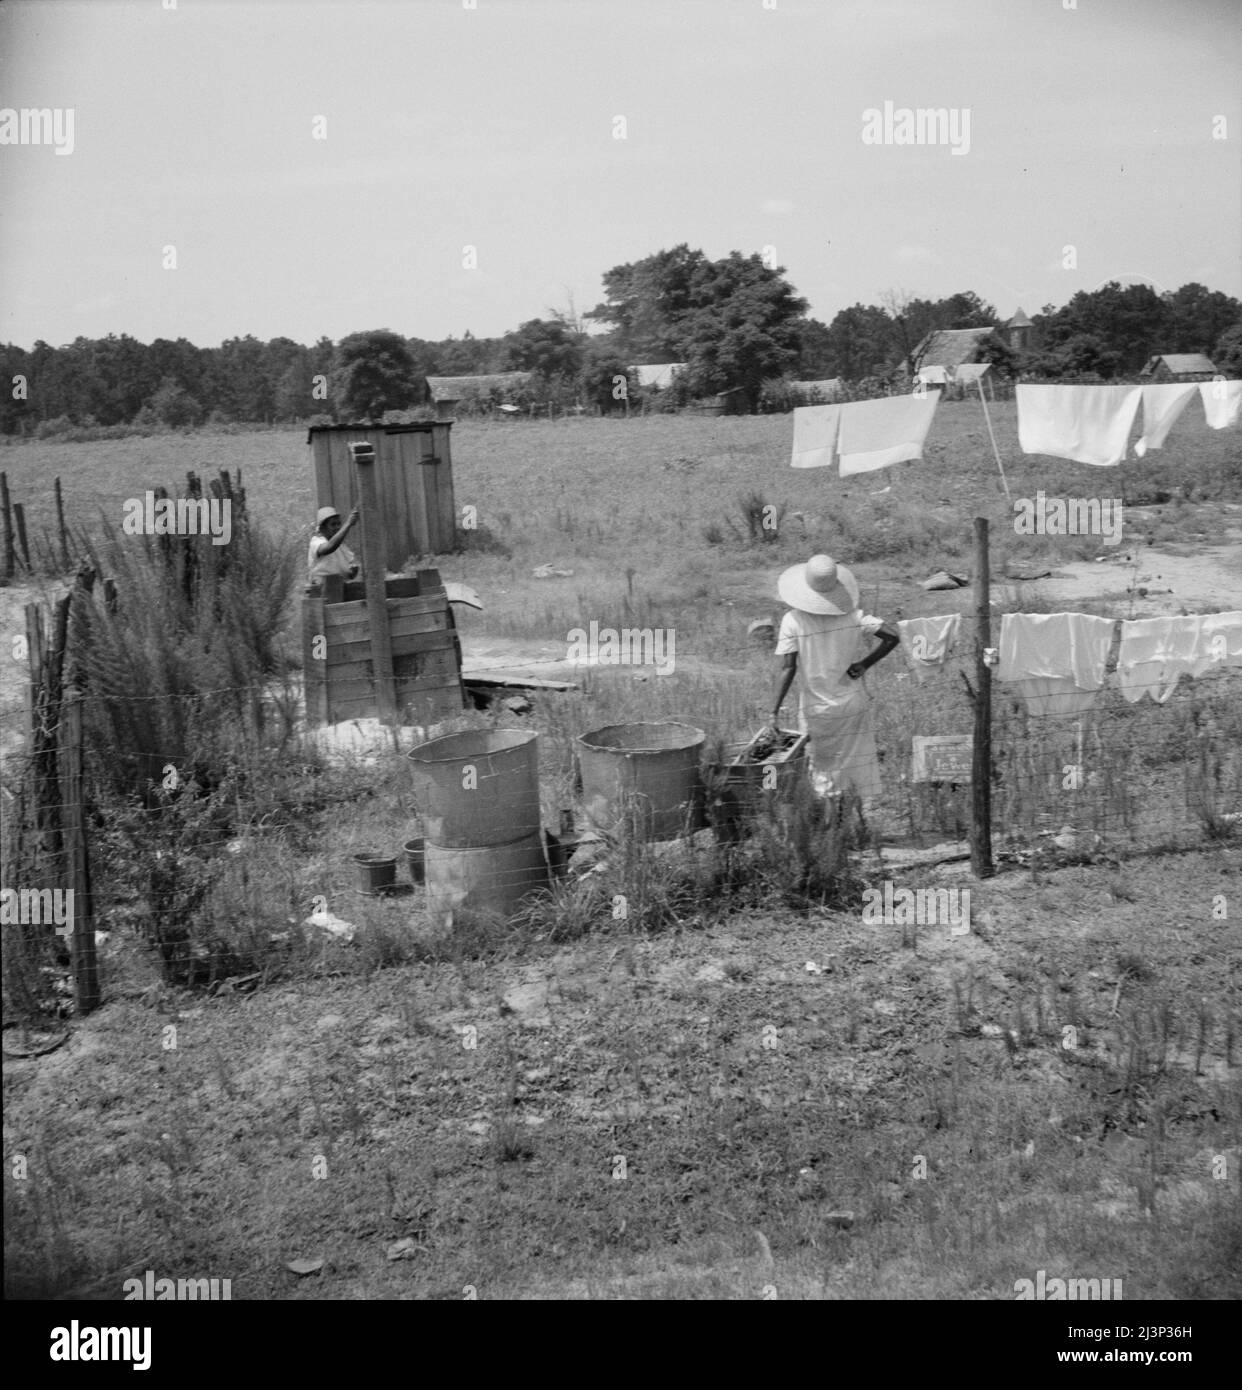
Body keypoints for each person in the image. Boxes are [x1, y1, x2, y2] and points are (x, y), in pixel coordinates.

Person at [768, 553, 899, 816]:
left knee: (821, 772)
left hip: (816, 708)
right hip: (851, 703)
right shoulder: (854, 616)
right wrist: (864, 664)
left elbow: (788, 668)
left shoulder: (793, 621)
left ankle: (832, 832)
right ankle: (854, 826)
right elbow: (893, 637)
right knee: (852, 770)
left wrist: (772, 711)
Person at [307, 505, 360, 586]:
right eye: (333, 524)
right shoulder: (316, 542)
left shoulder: (341, 546)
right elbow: (329, 547)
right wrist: (348, 523)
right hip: (321, 591)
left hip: (340, 589)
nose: (337, 527)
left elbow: (349, 574)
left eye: (339, 524)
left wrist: (353, 572)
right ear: (322, 528)